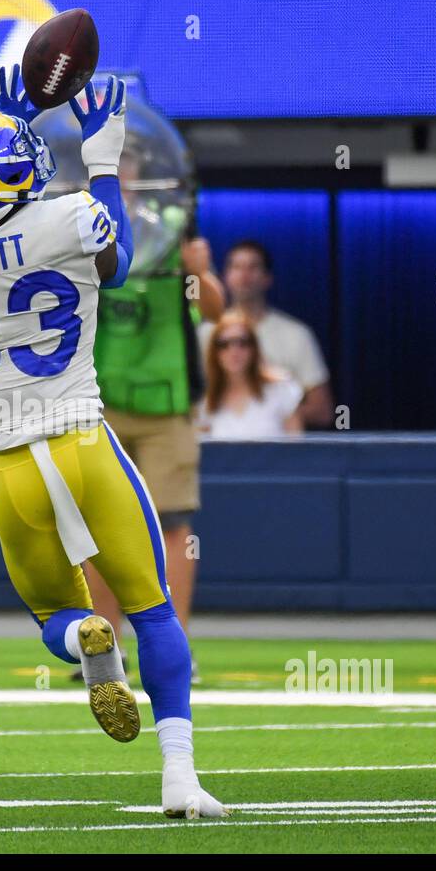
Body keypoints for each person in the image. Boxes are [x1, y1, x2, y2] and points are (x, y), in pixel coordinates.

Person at [0, 65, 226, 818]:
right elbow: (120, 261)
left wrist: (3, 124)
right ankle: (179, 775)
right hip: (80, 439)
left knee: (54, 615)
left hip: (4, 460)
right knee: (155, 611)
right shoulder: (66, 219)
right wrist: (102, 159)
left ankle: (83, 645)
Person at [80, 149, 225, 685]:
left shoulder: (172, 227)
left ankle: (174, 648)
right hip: (100, 399)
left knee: (173, 525)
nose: (126, 173)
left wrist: (199, 273)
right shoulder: (80, 223)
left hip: (168, 403)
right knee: (98, 530)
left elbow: (214, 310)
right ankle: (103, 652)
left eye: (132, 163)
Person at [202, 240, 334, 428]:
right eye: (224, 344)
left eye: (253, 267)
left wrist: (267, 413)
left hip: (275, 448)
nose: (244, 275)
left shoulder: (296, 335)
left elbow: (323, 410)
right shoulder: (205, 334)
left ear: (268, 278)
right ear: (225, 276)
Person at [199, 310, 303, 439]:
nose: (234, 351)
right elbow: (204, 452)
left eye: (242, 342)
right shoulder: (205, 401)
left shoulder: (281, 389)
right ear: (214, 352)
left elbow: (296, 447)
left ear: (254, 348)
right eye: (224, 344)